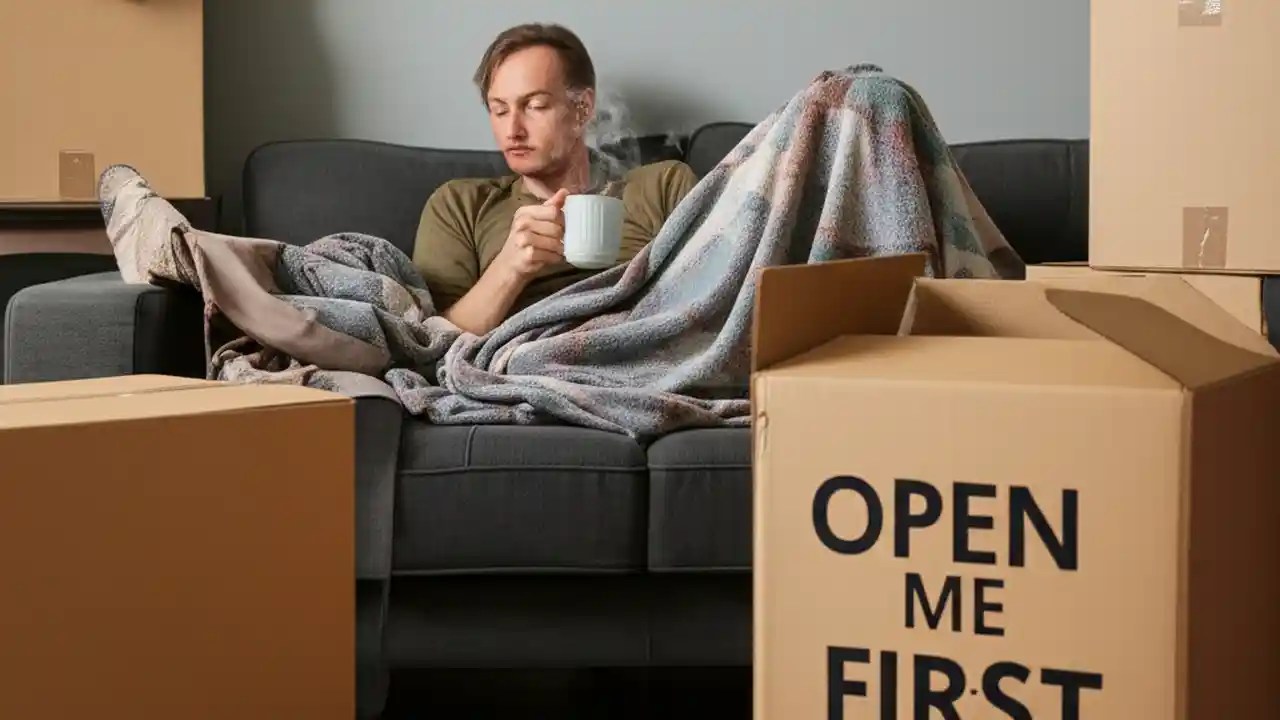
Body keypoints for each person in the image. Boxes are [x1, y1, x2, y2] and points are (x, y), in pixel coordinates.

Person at [413, 23, 698, 335]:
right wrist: (510, 269)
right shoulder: (460, 205)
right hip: (520, 364)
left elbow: (713, 300)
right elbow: (434, 344)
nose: (513, 131)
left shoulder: (663, 186)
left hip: (641, 353)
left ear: (582, 108)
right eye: (499, 110)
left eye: (535, 106)